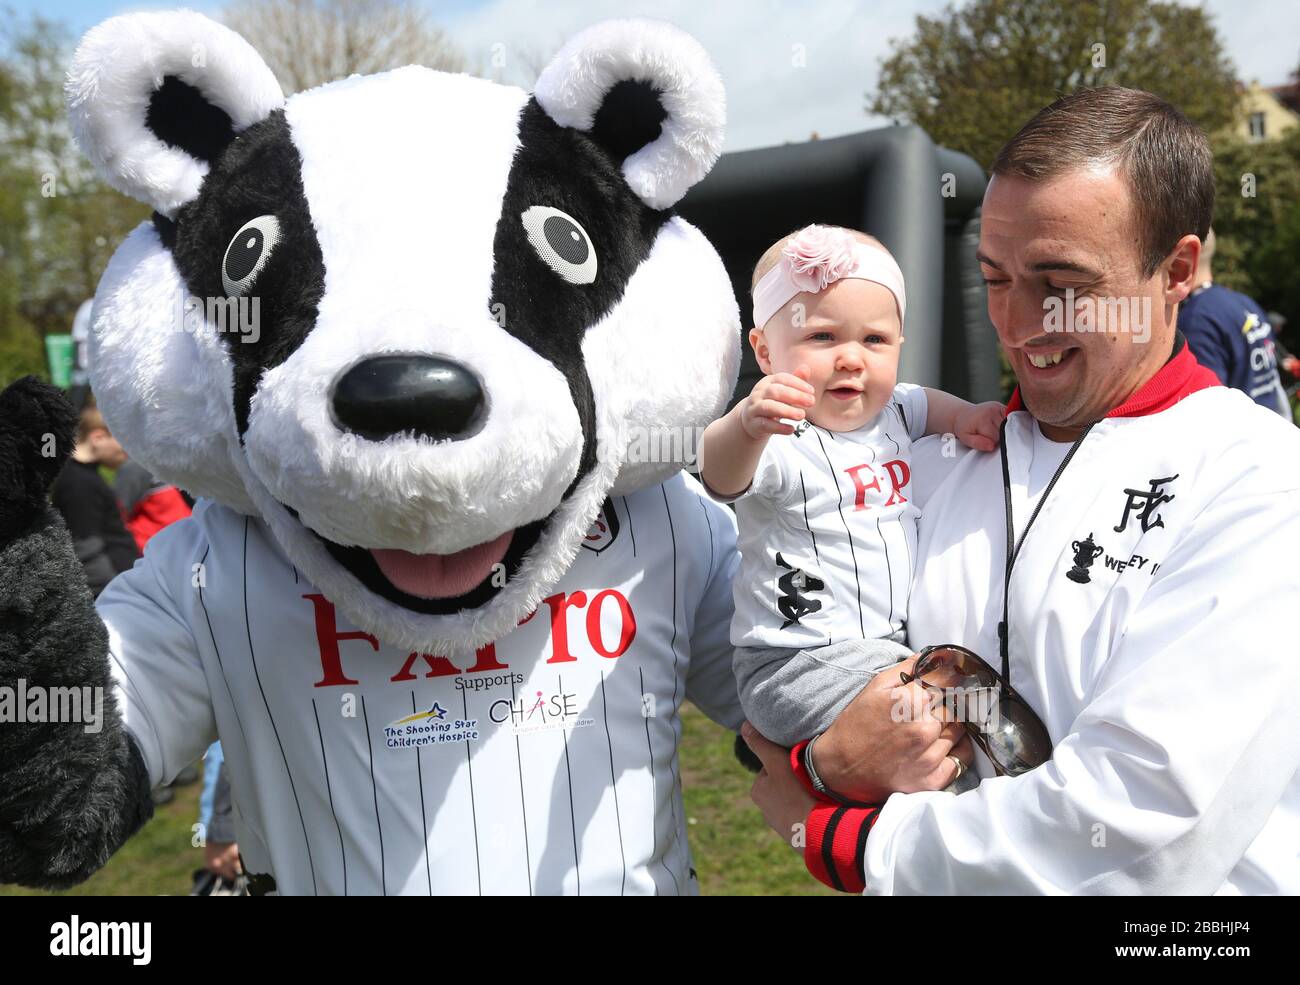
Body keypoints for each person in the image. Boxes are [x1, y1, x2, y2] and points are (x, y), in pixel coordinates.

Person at [744, 86, 1300, 895]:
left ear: (1176, 270)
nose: (1018, 321)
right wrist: (824, 757)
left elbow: (1147, 824)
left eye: (1060, 280)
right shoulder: (930, 460)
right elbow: (789, 642)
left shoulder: (1258, 475)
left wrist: (862, 840)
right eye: (995, 277)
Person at [697, 224, 1002, 794]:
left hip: (877, 652)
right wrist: (744, 425)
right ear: (765, 351)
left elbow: (927, 403)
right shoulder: (785, 439)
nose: (851, 359)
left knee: (931, 704)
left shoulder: (897, 414)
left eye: (875, 341)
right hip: (795, 662)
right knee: (932, 706)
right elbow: (719, 473)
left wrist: (966, 419)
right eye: (822, 337)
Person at [1178, 227, 1291, 418]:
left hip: (1243, 441)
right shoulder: (1245, 303)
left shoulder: (1197, 320)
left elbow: (1206, 411)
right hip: (1273, 432)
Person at [49, 404, 139, 597]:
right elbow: (86, 551)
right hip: (114, 593)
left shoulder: (84, 476)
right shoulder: (78, 482)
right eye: (122, 440)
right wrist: (119, 593)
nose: (127, 451)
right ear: (98, 437)